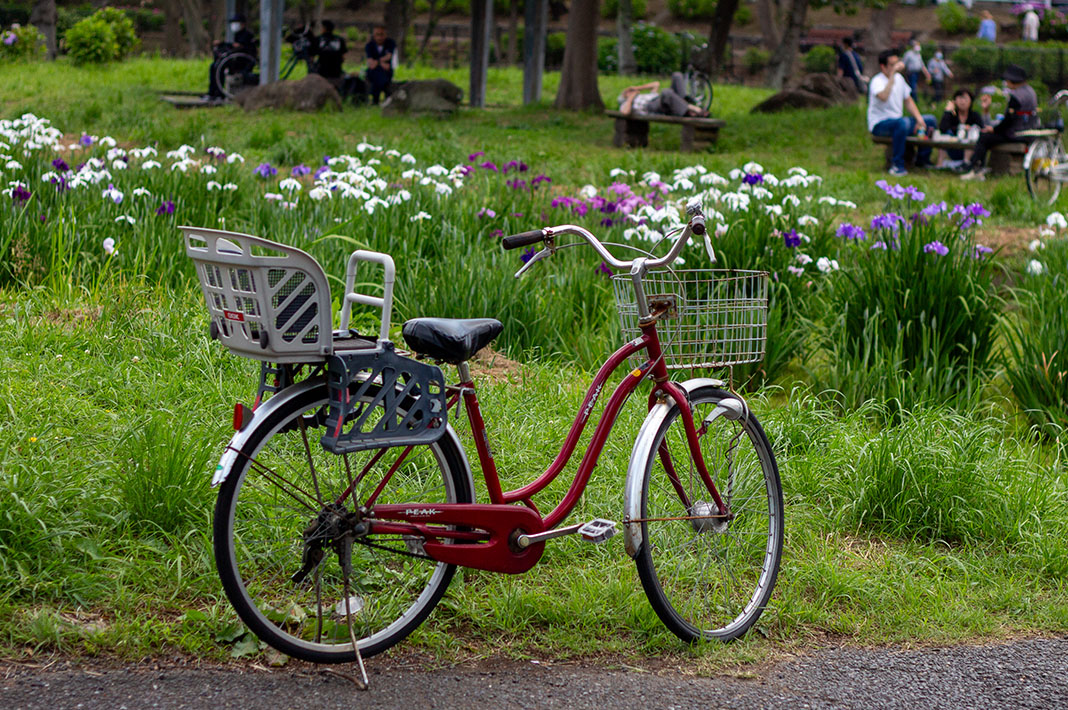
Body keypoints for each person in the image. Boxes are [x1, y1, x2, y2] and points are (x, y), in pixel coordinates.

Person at [961, 64, 1039, 180]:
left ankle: (976, 169)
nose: (1006, 83)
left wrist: (994, 129)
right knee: (988, 135)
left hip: (1017, 134)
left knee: (984, 137)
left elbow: (1009, 120)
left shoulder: (1017, 96)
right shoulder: (1030, 92)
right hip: (1028, 132)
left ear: (1012, 80)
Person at [868, 49, 932, 176]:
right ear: (883, 66)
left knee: (930, 120)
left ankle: (922, 160)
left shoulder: (900, 79)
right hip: (880, 124)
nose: (896, 67)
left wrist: (919, 119)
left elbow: (908, 100)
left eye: (897, 63)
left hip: (899, 122)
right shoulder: (877, 81)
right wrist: (892, 76)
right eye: (892, 64)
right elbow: (883, 96)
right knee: (901, 123)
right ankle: (897, 165)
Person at [205, 14, 256, 101]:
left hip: (243, 61)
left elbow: (239, 46)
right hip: (235, 59)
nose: (234, 25)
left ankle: (219, 94)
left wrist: (224, 44)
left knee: (219, 67)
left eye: (236, 22)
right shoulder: (237, 34)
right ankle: (212, 93)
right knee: (214, 66)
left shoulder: (247, 35)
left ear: (243, 24)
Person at [618, 74, 710, 118]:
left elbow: (656, 84)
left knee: (677, 76)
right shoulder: (625, 104)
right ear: (624, 96)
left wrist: (638, 88)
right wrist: (630, 98)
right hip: (652, 106)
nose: (631, 91)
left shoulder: (644, 95)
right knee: (666, 92)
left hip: (663, 100)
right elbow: (625, 112)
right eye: (628, 92)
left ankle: (686, 105)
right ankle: (694, 109)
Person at [938, 89, 983, 170]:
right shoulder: (952, 115)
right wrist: (947, 111)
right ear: (955, 101)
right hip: (953, 148)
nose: (962, 101)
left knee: (972, 135)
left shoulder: (975, 115)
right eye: (960, 98)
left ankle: (966, 163)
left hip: (970, 150)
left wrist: (970, 129)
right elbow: (942, 129)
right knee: (946, 134)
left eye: (965, 98)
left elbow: (981, 129)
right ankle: (940, 164)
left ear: (971, 101)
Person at [365, 25, 396, 105]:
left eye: (381, 34)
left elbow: (389, 57)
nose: (379, 37)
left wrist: (377, 62)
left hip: (386, 72)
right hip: (374, 71)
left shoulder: (390, 43)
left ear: (385, 35)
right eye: (377, 35)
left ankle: (375, 100)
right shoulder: (369, 45)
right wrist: (381, 63)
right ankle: (386, 97)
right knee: (378, 74)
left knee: (380, 74)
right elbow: (370, 63)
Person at [315, 19, 347, 85]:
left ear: (324, 28)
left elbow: (312, 55)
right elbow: (343, 57)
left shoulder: (318, 39)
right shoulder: (340, 39)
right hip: (336, 72)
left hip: (322, 71)